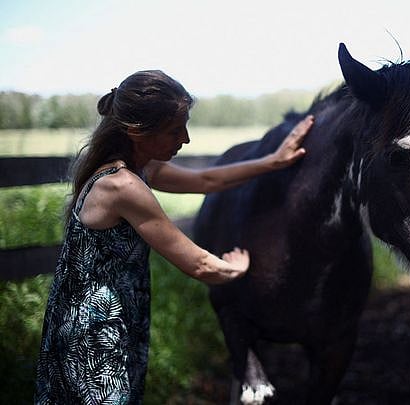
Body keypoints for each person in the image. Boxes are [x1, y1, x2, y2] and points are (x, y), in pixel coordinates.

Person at [35, 70, 314, 404]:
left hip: (110, 317)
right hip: (95, 333)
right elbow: (198, 264)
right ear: (137, 131)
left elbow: (208, 181)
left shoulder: (136, 167)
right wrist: (238, 269)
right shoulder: (122, 186)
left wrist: (271, 161)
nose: (185, 139)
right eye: (173, 130)